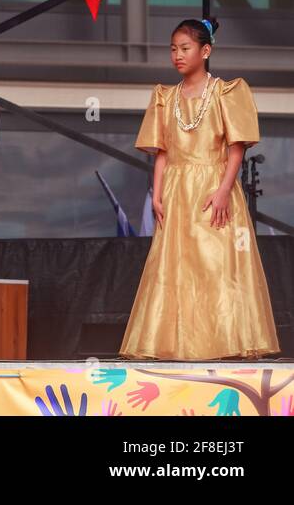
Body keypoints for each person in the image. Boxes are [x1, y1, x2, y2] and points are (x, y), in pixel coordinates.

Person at [120, 18, 279, 360]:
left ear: (205, 51)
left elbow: (237, 147)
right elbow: (162, 152)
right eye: (173, 49)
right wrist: (157, 195)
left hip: (213, 186)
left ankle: (224, 343)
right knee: (176, 267)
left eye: (185, 48)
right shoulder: (165, 97)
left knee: (218, 263)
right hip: (178, 190)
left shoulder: (227, 91)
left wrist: (224, 190)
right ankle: (179, 345)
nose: (177, 55)